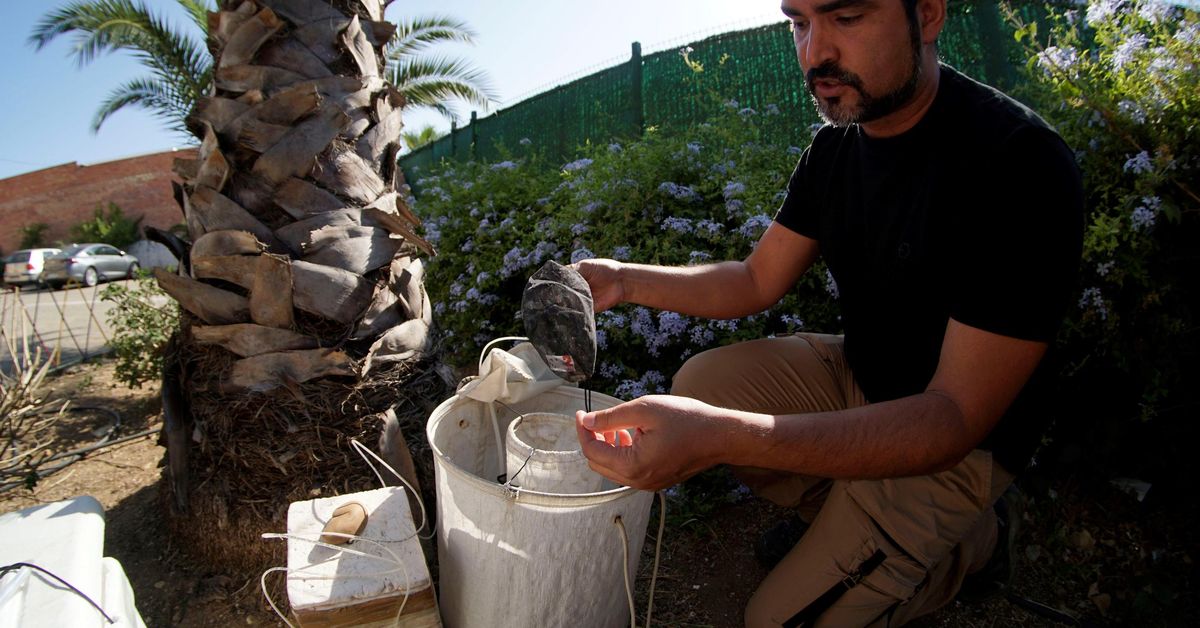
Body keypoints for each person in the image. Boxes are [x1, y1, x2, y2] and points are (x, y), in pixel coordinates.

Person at [572, 0, 1084, 625]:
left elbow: (952, 418)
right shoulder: (836, 149)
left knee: (772, 621)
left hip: (955, 444)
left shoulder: (1018, 162)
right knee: (702, 385)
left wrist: (717, 435)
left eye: (846, 17)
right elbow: (756, 279)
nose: (815, 53)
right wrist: (621, 280)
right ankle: (845, 518)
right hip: (858, 377)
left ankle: (975, 545)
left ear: (926, 15)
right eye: (799, 22)